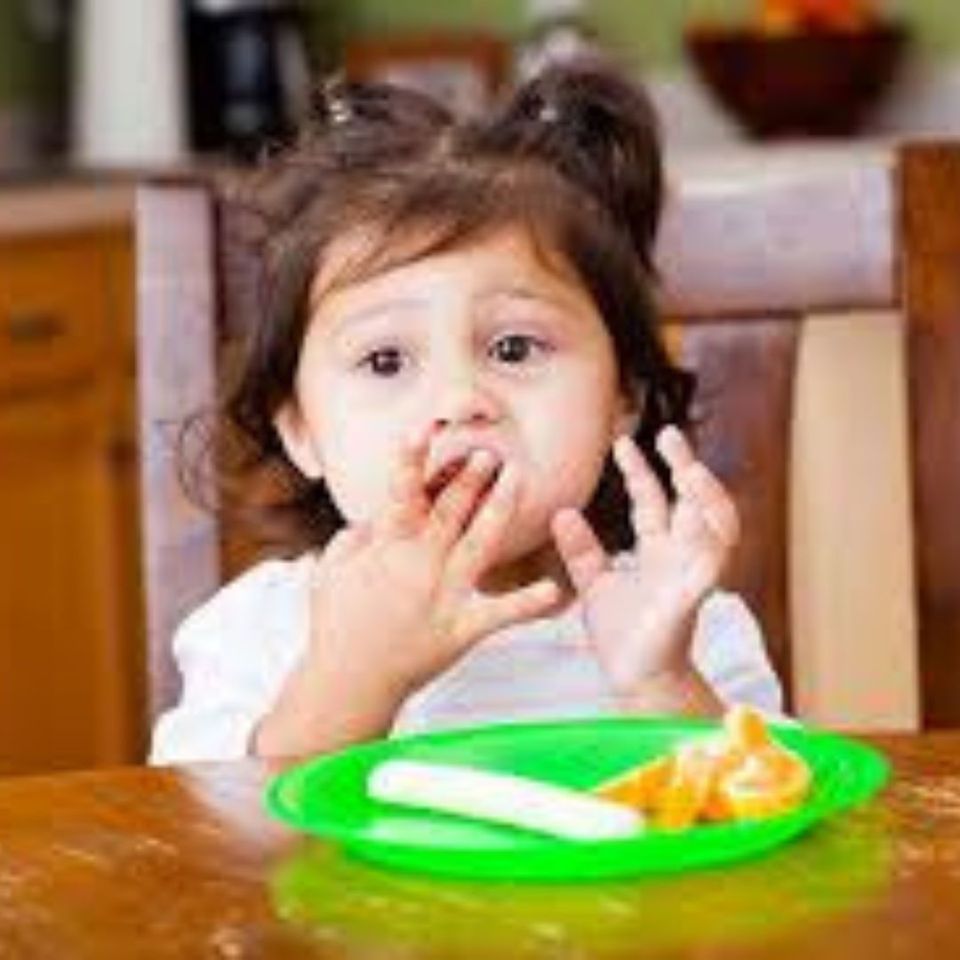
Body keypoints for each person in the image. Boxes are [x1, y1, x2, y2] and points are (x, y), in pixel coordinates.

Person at [150, 57, 782, 764]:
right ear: (300, 430)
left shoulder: (681, 621)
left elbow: (769, 820)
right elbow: (204, 850)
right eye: (386, 361)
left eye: (514, 348)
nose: (459, 402)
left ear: (622, 399)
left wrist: (663, 683)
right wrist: (352, 682)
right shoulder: (261, 631)